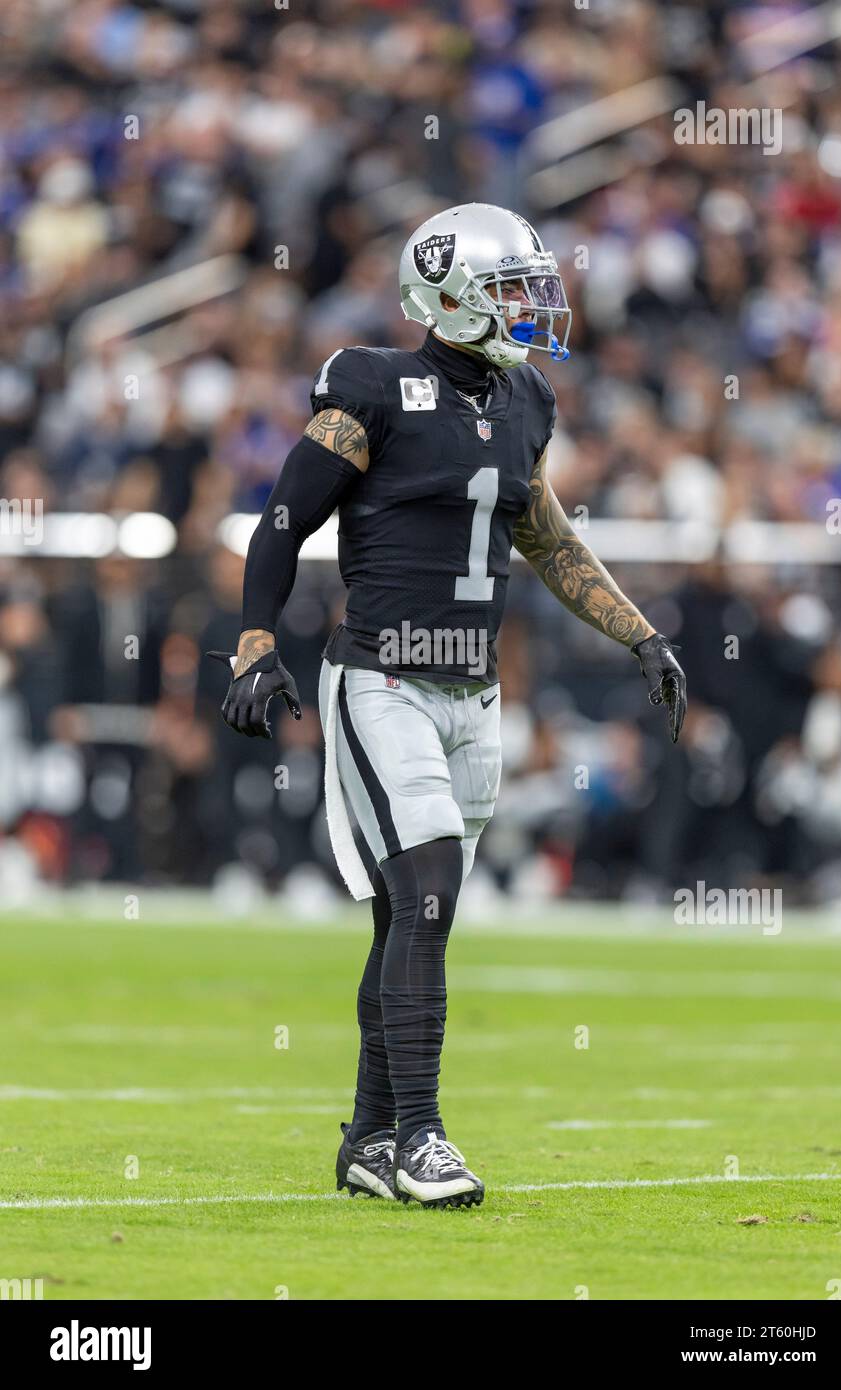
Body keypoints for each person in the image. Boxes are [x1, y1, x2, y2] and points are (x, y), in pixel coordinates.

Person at [211, 204, 687, 1207]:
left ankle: (368, 1140)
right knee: (424, 890)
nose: (527, 306)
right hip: (382, 674)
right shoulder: (371, 385)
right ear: (450, 291)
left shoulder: (526, 402)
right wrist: (254, 643)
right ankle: (421, 1137)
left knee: (408, 917)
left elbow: (547, 538)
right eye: (509, 286)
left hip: (474, 691)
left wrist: (638, 631)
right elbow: (284, 519)